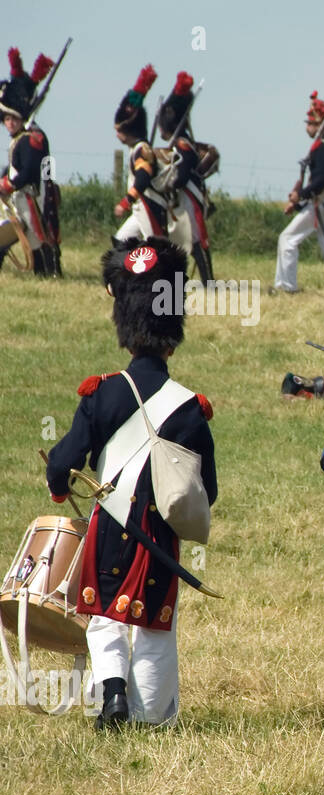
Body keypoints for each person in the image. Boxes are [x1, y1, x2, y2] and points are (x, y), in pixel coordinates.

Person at [45, 237, 218, 728]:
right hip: (159, 534)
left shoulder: (101, 394)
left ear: (125, 324)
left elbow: (62, 465)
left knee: (103, 613)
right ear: (172, 330)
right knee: (154, 624)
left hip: (109, 524)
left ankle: (113, 695)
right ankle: (149, 717)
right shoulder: (189, 408)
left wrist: (61, 490)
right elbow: (207, 489)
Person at [274, 90, 324, 301]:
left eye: (311, 123)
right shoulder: (322, 148)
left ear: (319, 125)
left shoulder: (323, 149)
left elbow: (321, 180)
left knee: (287, 239)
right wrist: (299, 203)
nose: (307, 126)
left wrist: (301, 195)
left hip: (322, 204)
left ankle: (286, 285)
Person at [0, 47, 60, 275]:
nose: (9, 123)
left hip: (31, 196)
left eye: (13, 118)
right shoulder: (21, 138)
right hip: (19, 196)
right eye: (6, 118)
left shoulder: (31, 138)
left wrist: (7, 184)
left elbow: (28, 171)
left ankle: (47, 272)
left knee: (38, 239)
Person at [155, 71, 213, 281]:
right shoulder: (179, 142)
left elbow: (182, 172)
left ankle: (209, 281)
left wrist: (170, 184)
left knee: (197, 240)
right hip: (182, 199)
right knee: (185, 239)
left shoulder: (182, 144)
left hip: (188, 196)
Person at [111, 65, 166, 246]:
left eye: (119, 130)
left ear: (128, 130)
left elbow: (142, 178)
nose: (117, 133)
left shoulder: (142, 150)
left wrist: (125, 202)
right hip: (140, 210)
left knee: (161, 255)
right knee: (120, 242)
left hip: (150, 208)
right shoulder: (137, 150)